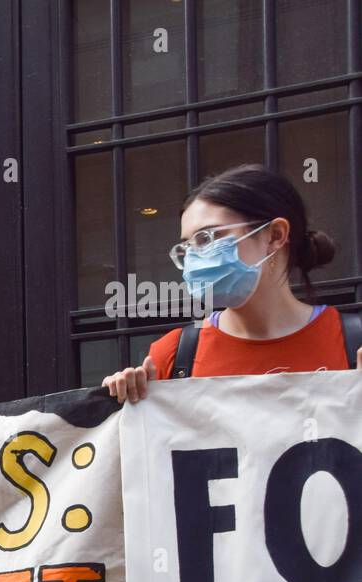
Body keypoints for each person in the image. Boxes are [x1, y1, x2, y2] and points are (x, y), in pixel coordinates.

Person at [103, 163, 360, 403]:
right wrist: (118, 402)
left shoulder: (353, 341)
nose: (194, 256)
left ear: (275, 235)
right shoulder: (174, 355)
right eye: (186, 245)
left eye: (208, 237)